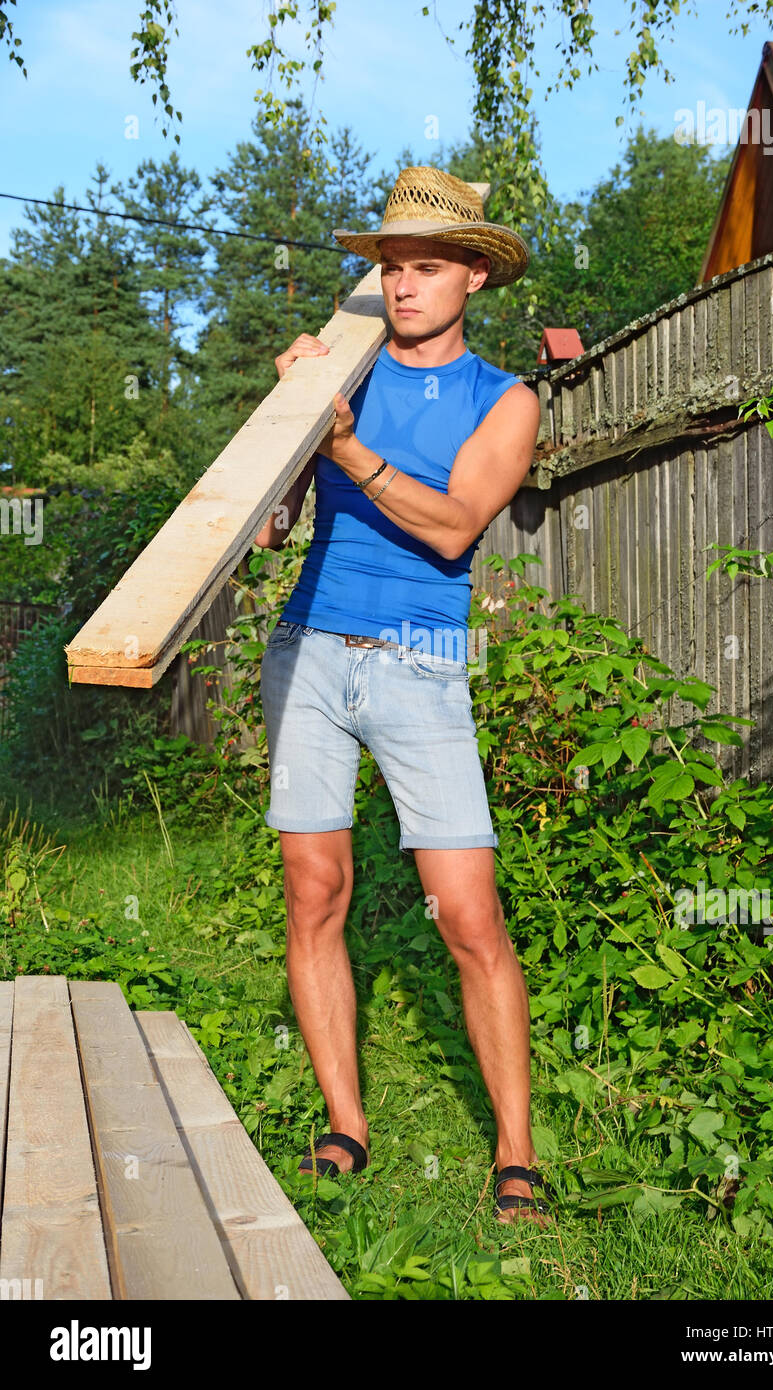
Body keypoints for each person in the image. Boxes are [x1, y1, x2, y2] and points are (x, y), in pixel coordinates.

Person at [254, 166, 551, 1224]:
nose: (403, 286)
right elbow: (272, 530)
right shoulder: (342, 376)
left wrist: (347, 447)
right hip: (309, 652)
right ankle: (346, 1120)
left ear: (473, 274)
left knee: (467, 913)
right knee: (313, 891)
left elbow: (453, 525)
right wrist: (285, 425)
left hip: (420, 662)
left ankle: (513, 1152)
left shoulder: (503, 399)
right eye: (390, 268)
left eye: (425, 267)